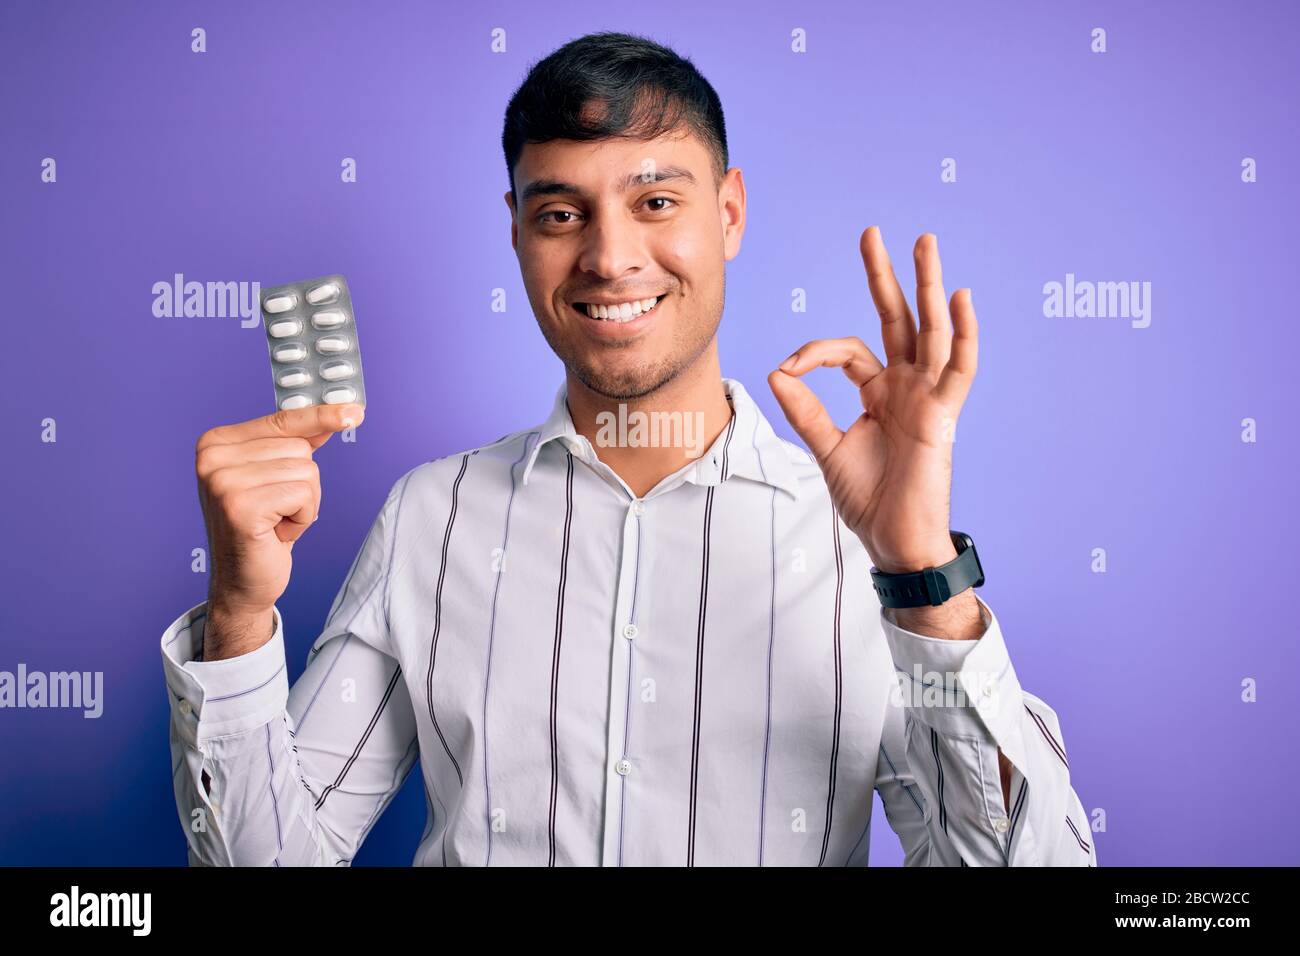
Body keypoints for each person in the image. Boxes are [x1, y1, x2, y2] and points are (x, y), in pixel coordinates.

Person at [160, 31, 1095, 867]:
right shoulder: (431, 518)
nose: (609, 257)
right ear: (519, 229)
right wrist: (239, 613)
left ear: (728, 213)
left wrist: (922, 575)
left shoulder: (862, 551)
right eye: (561, 214)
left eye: (655, 200)